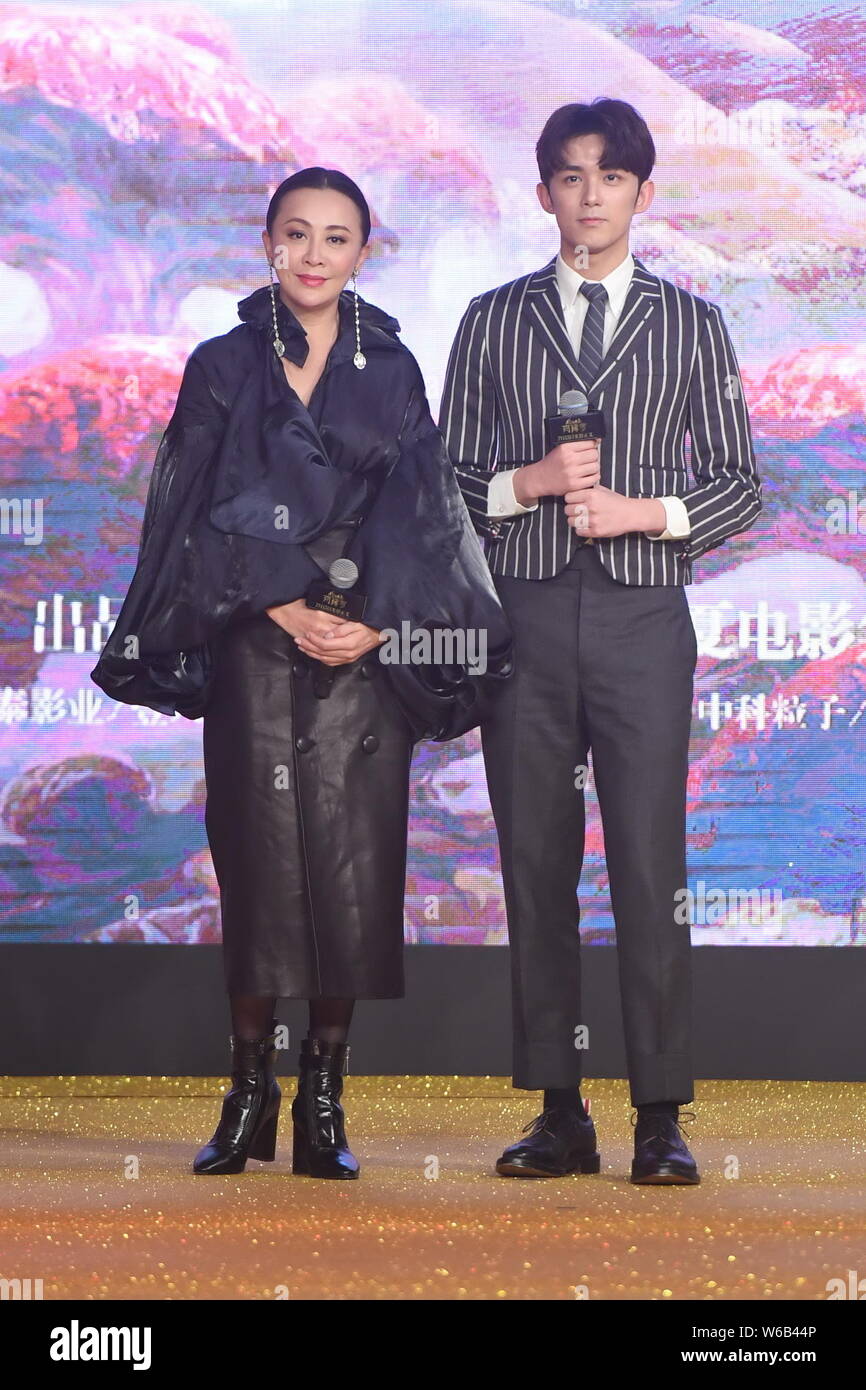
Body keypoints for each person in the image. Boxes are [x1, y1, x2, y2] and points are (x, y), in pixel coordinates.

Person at [92, 167, 511, 1179]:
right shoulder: (222, 365)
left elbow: (422, 513)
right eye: (297, 234)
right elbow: (191, 512)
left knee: (350, 875)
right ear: (266, 243)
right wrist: (276, 599)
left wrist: (373, 619)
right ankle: (248, 1093)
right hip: (252, 642)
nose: (316, 254)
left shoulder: (394, 370)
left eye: (337, 237)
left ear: (362, 252)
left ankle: (325, 1093)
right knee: (258, 869)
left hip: (363, 654)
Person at [439, 99, 762, 1184]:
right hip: (521, 614)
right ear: (541, 195)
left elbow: (735, 485)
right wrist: (522, 484)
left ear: (641, 193)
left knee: (646, 862)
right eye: (569, 177)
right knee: (533, 860)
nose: (589, 194)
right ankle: (557, 1108)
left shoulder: (690, 323)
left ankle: (659, 1114)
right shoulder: (490, 319)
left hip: (638, 617)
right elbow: (438, 487)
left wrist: (638, 511)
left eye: (610, 177)